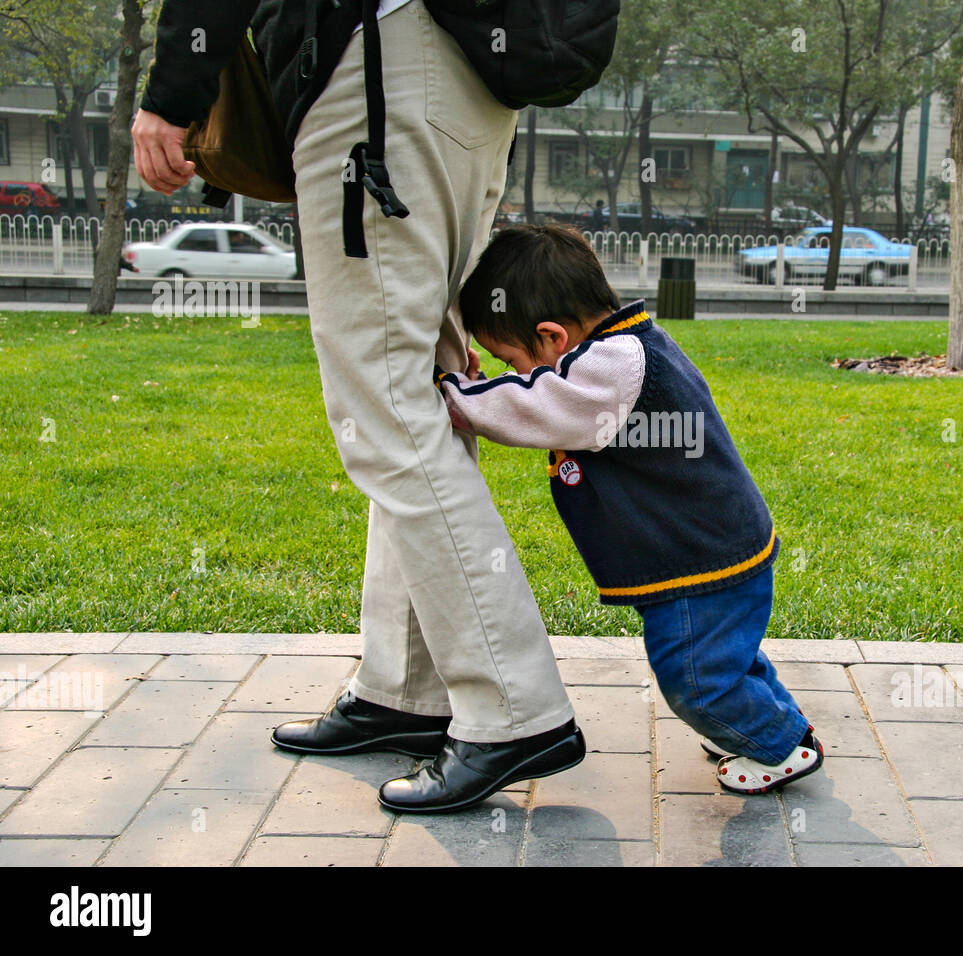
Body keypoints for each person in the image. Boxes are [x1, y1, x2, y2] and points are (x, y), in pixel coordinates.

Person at [132, 0, 583, 815]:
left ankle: (514, 711)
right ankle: (406, 688)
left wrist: (173, 88)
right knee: (420, 389)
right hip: (467, 87)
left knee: (386, 411)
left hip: (377, 75)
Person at [436, 224, 824, 794]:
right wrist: (484, 386)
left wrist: (456, 396)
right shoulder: (628, 348)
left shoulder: (612, 367)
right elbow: (538, 394)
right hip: (716, 550)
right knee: (729, 660)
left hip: (702, 565)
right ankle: (765, 726)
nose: (517, 374)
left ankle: (777, 746)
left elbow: (535, 407)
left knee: (695, 678)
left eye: (513, 359)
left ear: (552, 336)